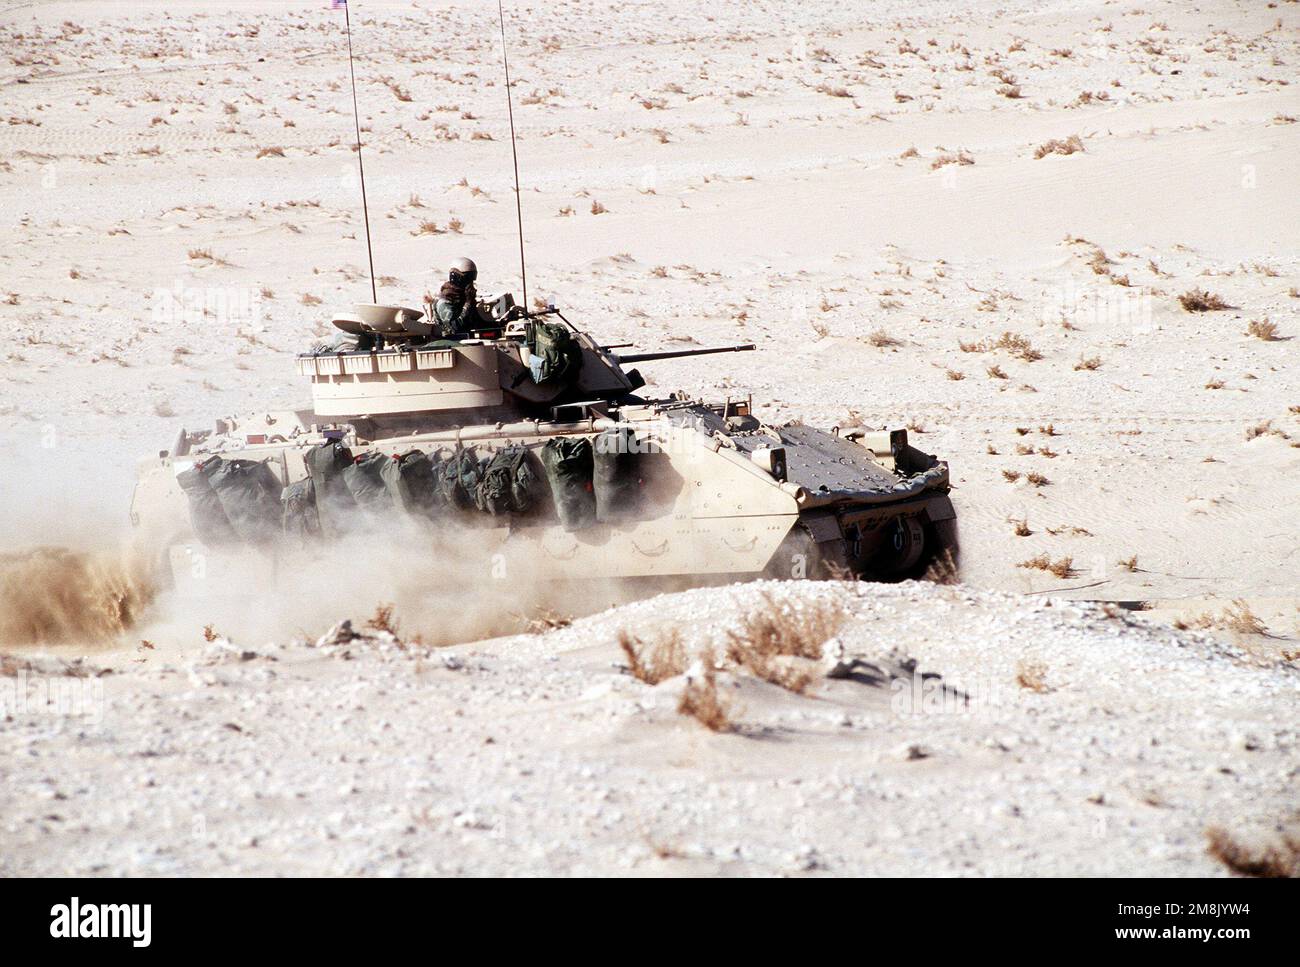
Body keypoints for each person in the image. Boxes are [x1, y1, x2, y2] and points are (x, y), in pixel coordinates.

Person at [430, 256, 492, 338]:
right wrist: (468, 303)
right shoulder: (444, 301)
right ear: (457, 278)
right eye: (468, 278)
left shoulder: (464, 296)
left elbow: (477, 322)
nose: (471, 283)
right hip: (451, 342)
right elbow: (454, 328)